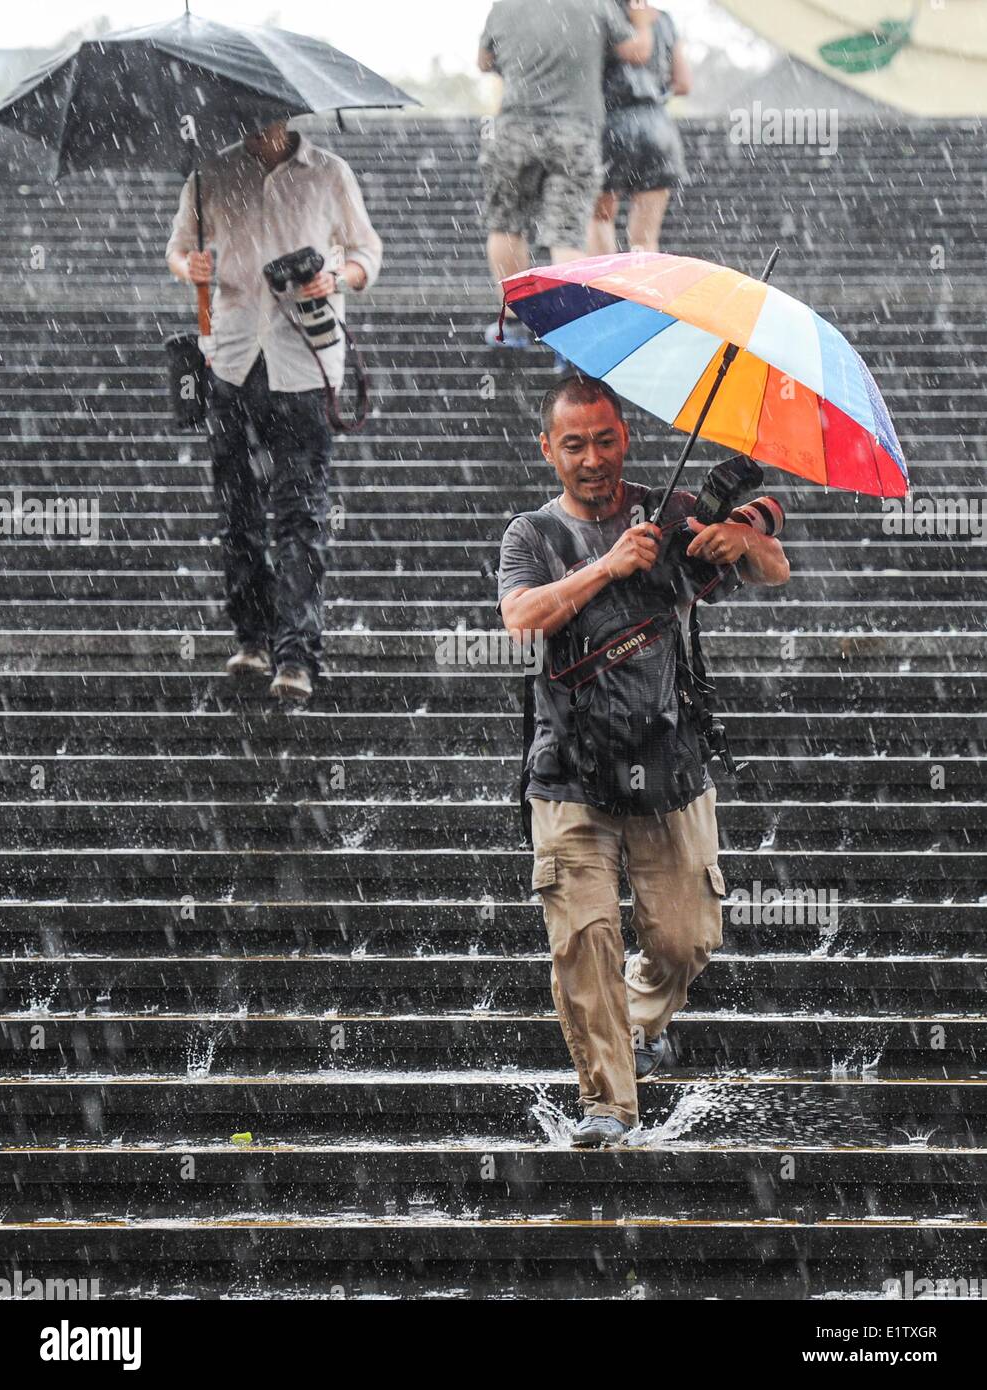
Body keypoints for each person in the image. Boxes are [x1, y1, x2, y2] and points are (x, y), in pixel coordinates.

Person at [497, 376, 790, 1146]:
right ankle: (607, 1105)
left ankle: (638, 1019)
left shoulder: (674, 517)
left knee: (684, 939)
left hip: (670, 763)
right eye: (573, 445)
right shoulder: (529, 535)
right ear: (547, 450)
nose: (591, 459)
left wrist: (745, 541)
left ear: (624, 438)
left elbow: (773, 570)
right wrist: (607, 567)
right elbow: (522, 620)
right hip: (566, 770)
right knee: (583, 935)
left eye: (604, 441)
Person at [166, 119, 382, 701]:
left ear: (289, 112)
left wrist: (335, 276)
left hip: (304, 360)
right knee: (236, 506)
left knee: (300, 508)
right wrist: (193, 269)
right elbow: (178, 250)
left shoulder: (330, 173)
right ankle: (252, 637)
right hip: (230, 357)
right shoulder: (208, 176)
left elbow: (368, 251)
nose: (260, 125)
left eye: (271, 113)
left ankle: (297, 652)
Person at [477, 0, 655, 349]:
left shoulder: (504, 6)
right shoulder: (594, 5)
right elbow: (636, 50)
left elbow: (483, 61)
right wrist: (643, 21)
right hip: (575, 131)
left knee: (506, 225)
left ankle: (513, 323)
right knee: (567, 233)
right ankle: (568, 328)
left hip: (514, 127)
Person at [588, 4, 691, 256]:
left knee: (599, 219)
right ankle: (642, 294)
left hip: (609, 125)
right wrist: (654, 89)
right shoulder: (663, 19)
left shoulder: (599, 17)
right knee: (645, 239)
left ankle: (606, 292)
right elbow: (684, 83)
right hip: (658, 129)